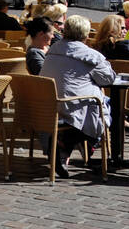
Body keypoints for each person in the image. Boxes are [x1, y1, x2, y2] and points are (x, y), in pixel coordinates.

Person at [41, 15, 116, 178]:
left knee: (94, 107)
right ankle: (68, 144)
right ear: (86, 35)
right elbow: (108, 79)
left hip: (49, 106)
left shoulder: (51, 51)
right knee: (105, 110)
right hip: (73, 107)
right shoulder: (91, 56)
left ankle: (62, 149)